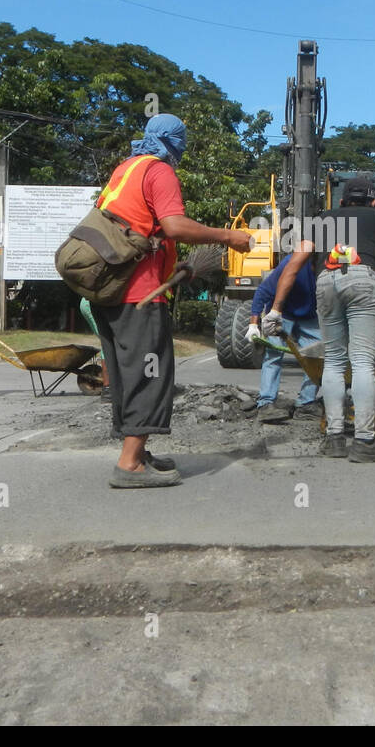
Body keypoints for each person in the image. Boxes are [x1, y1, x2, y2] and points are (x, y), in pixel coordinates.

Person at [93, 113, 251, 489]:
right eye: (181, 141)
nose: (182, 148)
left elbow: (138, 228)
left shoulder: (126, 169)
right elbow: (175, 225)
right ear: (172, 142)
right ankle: (129, 465)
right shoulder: (159, 171)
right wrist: (229, 237)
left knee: (126, 375)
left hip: (114, 291)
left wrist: (172, 262)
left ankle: (139, 453)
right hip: (141, 296)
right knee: (151, 374)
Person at [269, 176, 375, 461]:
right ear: (374, 202)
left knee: (334, 361)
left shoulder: (322, 219)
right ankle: (365, 442)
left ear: (341, 202)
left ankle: (335, 439)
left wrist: (276, 309)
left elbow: (293, 265)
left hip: (326, 281)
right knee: (363, 361)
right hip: (365, 280)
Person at [245, 257, 321, 422]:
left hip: (307, 315)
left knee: (319, 357)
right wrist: (253, 325)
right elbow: (262, 291)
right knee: (273, 355)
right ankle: (266, 404)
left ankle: (306, 404)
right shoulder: (292, 263)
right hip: (281, 313)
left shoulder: (330, 270)